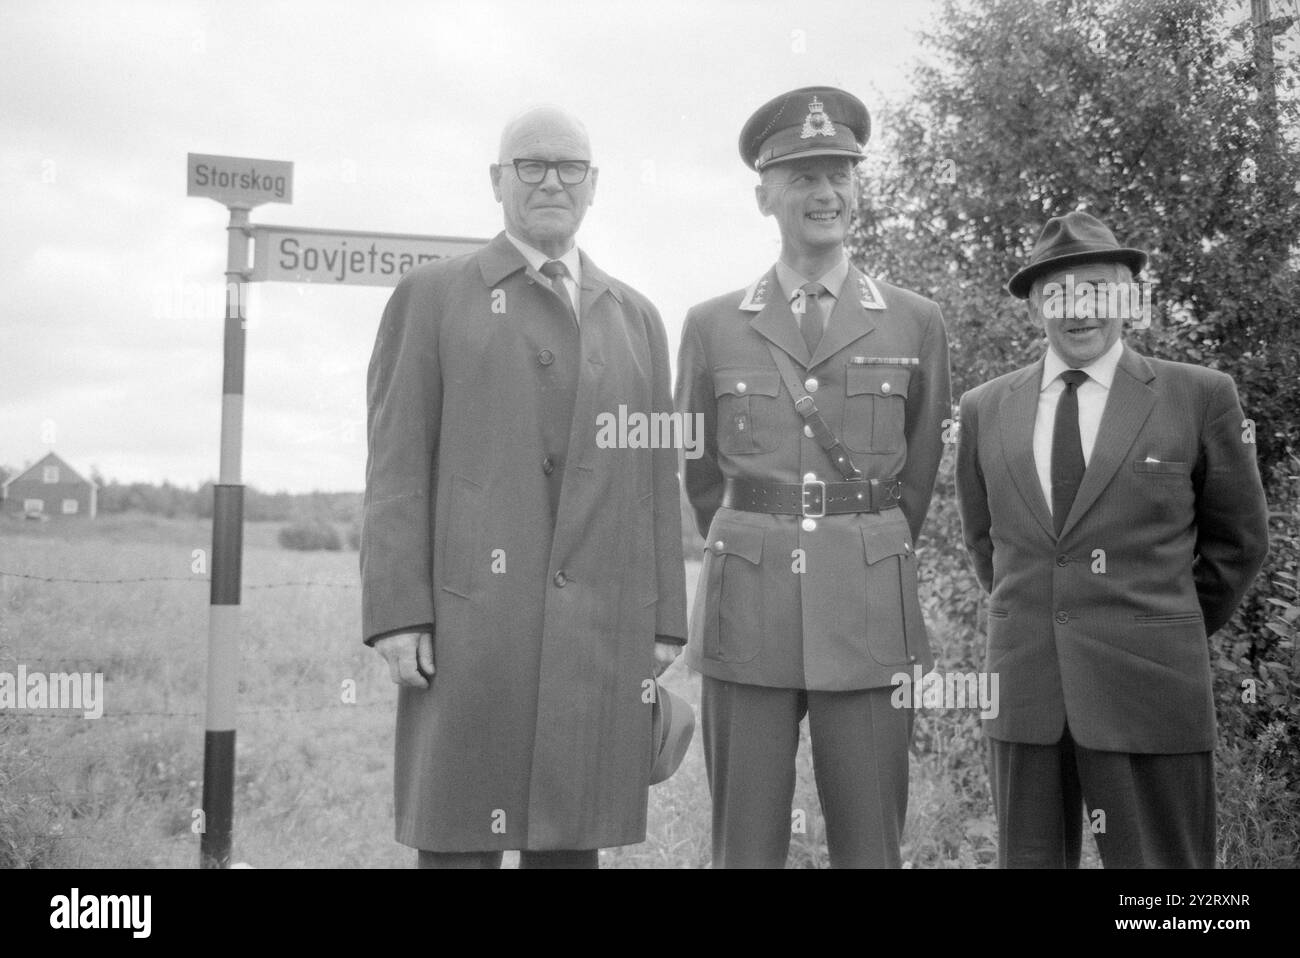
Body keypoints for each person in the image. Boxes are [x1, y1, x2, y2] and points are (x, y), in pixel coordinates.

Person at [360, 105, 688, 869]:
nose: (551, 181)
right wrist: (396, 615)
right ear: (496, 180)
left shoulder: (638, 318)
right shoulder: (433, 296)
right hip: (470, 628)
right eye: (530, 165)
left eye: (569, 167)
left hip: (597, 633)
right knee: (459, 840)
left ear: (594, 184)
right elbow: (396, 466)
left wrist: (665, 616)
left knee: (571, 844)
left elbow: (656, 479)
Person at [676, 86, 951, 868]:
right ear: (764, 194)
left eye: (840, 174)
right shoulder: (712, 323)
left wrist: (864, 544)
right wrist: (752, 538)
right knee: (745, 846)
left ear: (859, 188)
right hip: (748, 610)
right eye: (802, 176)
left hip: (867, 608)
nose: (824, 193)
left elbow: (920, 468)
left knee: (871, 847)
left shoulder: (914, 319)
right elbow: (699, 471)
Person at [955, 210, 1270, 868]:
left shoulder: (1200, 397)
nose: (1079, 308)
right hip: (1024, 694)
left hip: (1150, 691)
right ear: (1037, 303)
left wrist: (1159, 625)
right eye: (1060, 291)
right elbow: (989, 547)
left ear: (1127, 298)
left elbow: (1237, 545)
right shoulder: (985, 407)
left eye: (1097, 288)